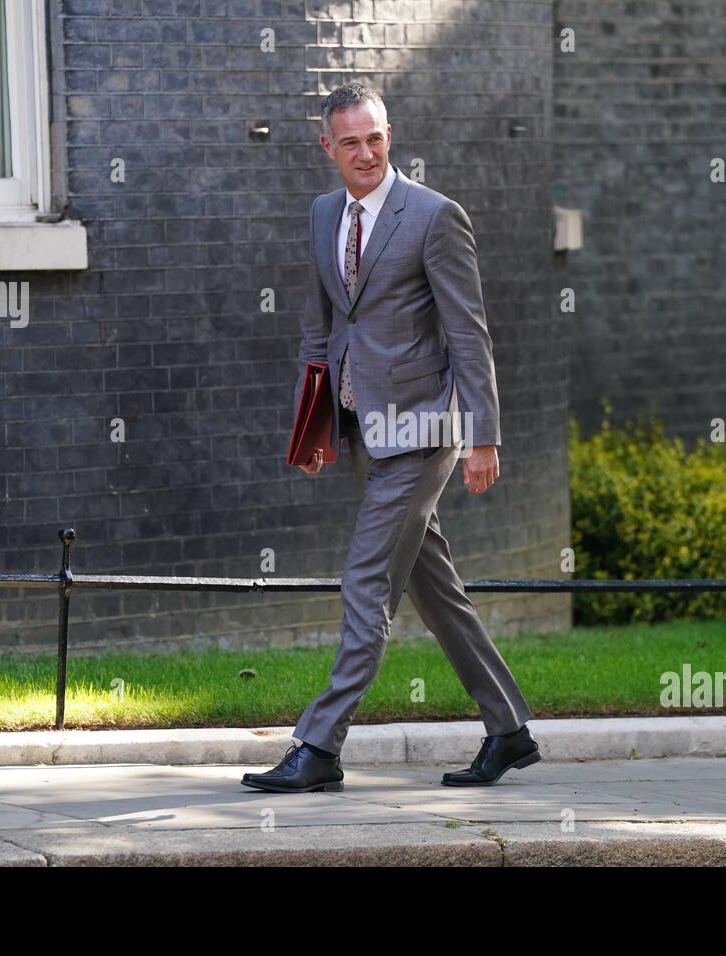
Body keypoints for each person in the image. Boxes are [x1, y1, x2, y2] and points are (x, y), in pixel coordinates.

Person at [241, 81, 538, 793]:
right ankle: (510, 730)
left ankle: (319, 746)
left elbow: (470, 333)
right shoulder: (321, 217)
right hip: (360, 427)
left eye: (375, 137)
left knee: (365, 583)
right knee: (434, 590)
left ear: (389, 134)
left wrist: (483, 436)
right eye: (351, 142)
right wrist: (313, 427)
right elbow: (320, 331)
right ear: (328, 149)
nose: (366, 152)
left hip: (425, 429)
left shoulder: (434, 217)